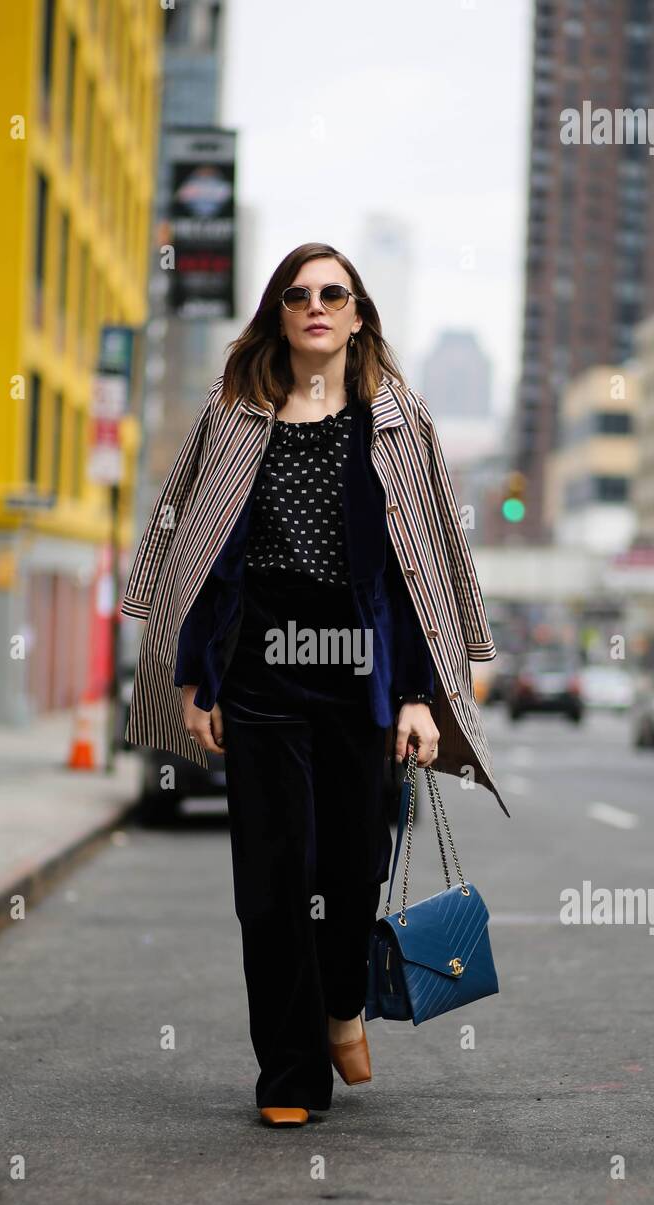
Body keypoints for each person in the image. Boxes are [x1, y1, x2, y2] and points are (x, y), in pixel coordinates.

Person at [121, 242, 506, 1130]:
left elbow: (421, 566)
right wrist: (194, 679)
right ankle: (290, 1075)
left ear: (359, 313)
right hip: (258, 672)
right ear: (279, 314)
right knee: (271, 874)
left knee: (351, 865)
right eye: (298, 294)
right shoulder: (234, 417)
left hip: (360, 674)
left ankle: (342, 1002)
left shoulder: (398, 418)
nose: (317, 305)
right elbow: (199, 553)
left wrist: (416, 693)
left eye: (334, 293)